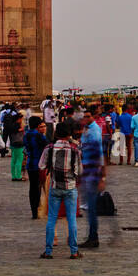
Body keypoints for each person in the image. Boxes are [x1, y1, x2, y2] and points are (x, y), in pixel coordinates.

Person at [39, 124, 82, 259]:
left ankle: (48, 250)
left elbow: (41, 166)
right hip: (70, 187)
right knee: (71, 220)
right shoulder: (75, 149)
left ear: (56, 134)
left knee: (52, 219)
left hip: (55, 186)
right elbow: (79, 171)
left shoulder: (49, 148)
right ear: (69, 134)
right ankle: (74, 251)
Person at [79, 109, 105, 248]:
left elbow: (98, 152)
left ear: (93, 117)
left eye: (88, 116)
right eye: (84, 116)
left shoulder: (93, 131)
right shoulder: (87, 129)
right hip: (88, 170)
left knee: (91, 208)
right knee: (90, 208)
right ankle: (92, 235)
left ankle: (93, 237)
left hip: (92, 171)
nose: (85, 118)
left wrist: (101, 175)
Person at [23, 116, 49, 219]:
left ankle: (34, 210)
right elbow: (46, 147)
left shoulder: (26, 135)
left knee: (32, 188)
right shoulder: (39, 136)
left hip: (30, 163)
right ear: (38, 125)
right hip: (39, 164)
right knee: (40, 187)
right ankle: (39, 209)